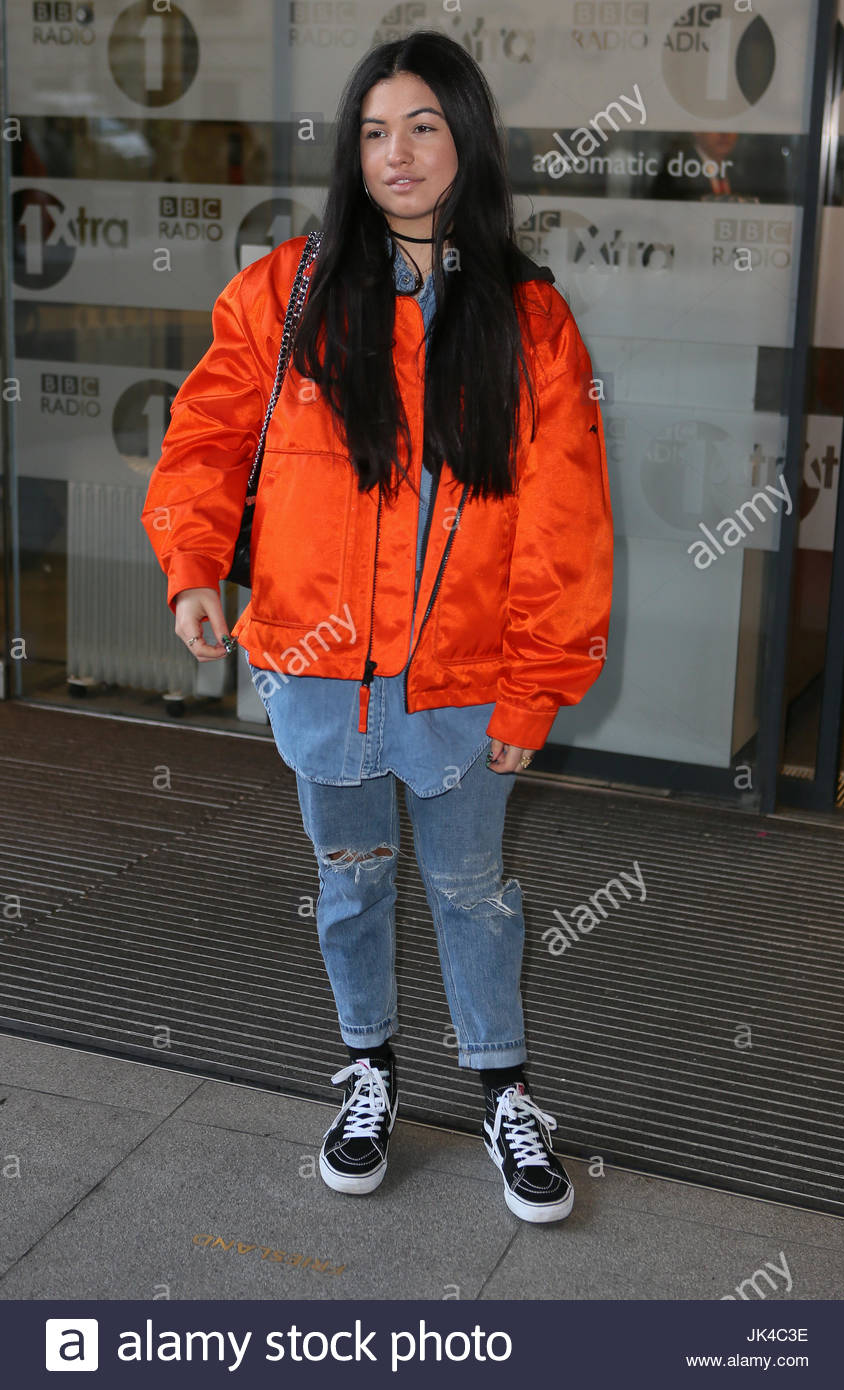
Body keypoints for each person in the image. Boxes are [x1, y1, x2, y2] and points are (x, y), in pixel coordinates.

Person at [141, 30, 614, 1225]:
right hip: (314, 666)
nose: (394, 155)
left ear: (466, 142)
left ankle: (504, 1089)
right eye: (371, 131)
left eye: (421, 128)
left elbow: (566, 525)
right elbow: (205, 436)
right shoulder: (287, 292)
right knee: (348, 879)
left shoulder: (528, 319)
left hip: (459, 677)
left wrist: (536, 688)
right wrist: (194, 561)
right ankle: (369, 1069)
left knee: (473, 888)